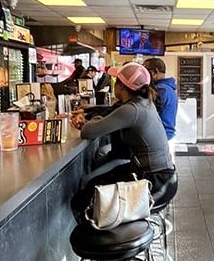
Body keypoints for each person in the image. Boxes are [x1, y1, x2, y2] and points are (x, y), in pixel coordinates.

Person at [71, 61, 175, 205]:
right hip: (160, 176)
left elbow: (88, 131)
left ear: (121, 86)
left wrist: (91, 120)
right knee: (94, 182)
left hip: (156, 183)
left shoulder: (132, 109)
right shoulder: (143, 102)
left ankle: (95, 218)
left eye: (116, 80)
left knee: (84, 196)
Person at [143, 57, 178, 142]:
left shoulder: (160, 90)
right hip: (165, 135)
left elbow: (143, 113)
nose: (142, 75)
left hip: (159, 136)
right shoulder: (168, 88)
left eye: (144, 71)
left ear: (154, 72)